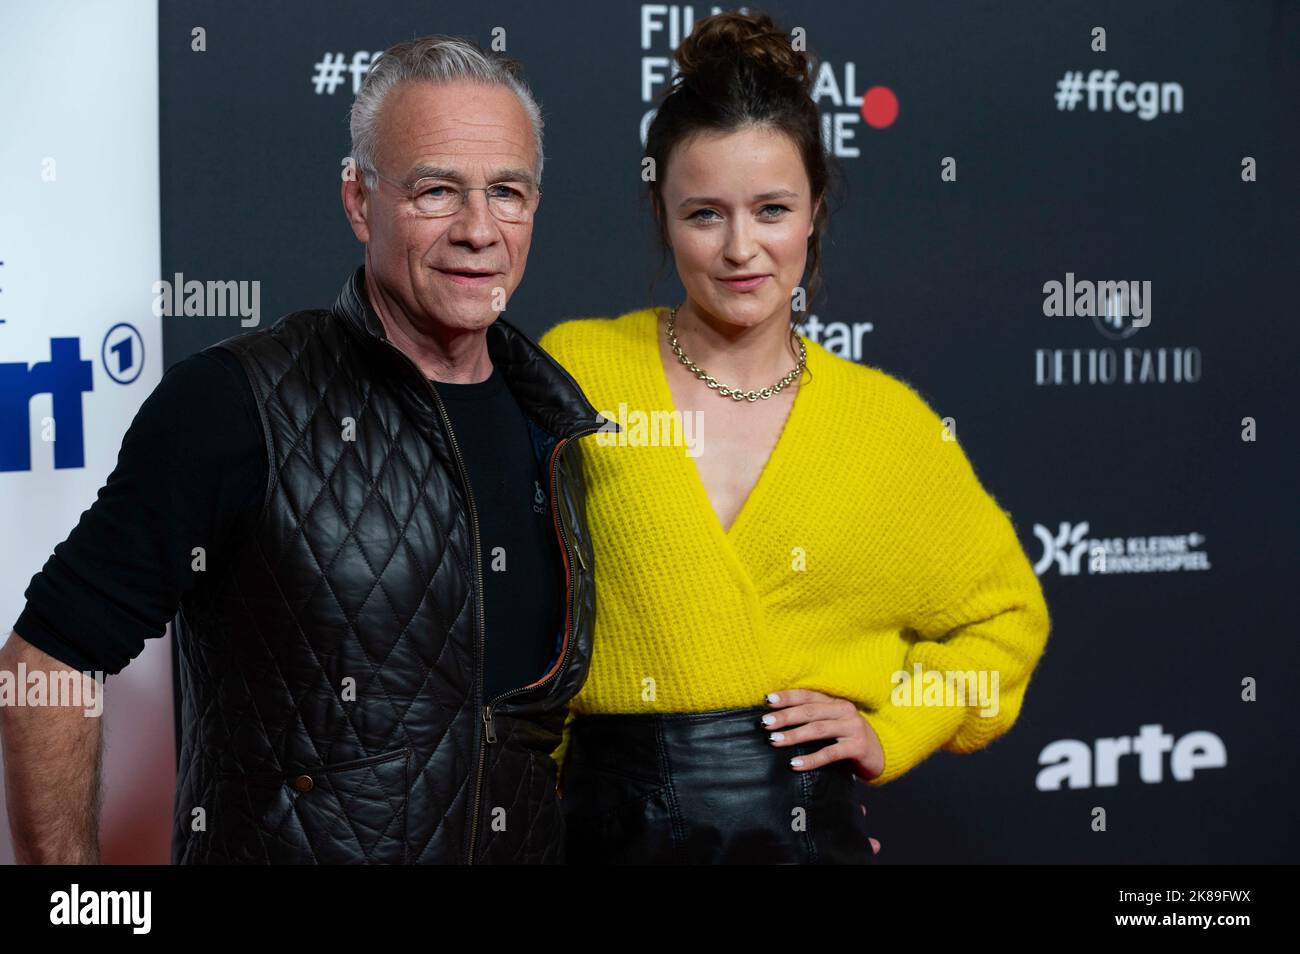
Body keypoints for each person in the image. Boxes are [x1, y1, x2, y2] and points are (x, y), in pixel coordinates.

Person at [0, 35, 608, 865]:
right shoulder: (236, 401)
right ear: (360, 199)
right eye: (436, 191)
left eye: (508, 191)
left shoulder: (556, 419)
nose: (478, 230)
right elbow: (47, 663)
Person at [538, 11, 1052, 864]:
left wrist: (898, 726)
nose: (742, 249)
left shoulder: (886, 421)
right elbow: (520, 627)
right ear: (661, 215)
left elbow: (1006, 618)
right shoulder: (579, 370)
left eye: (772, 209)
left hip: (804, 834)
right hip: (604, 831)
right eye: (704, 213)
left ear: (815, 210)